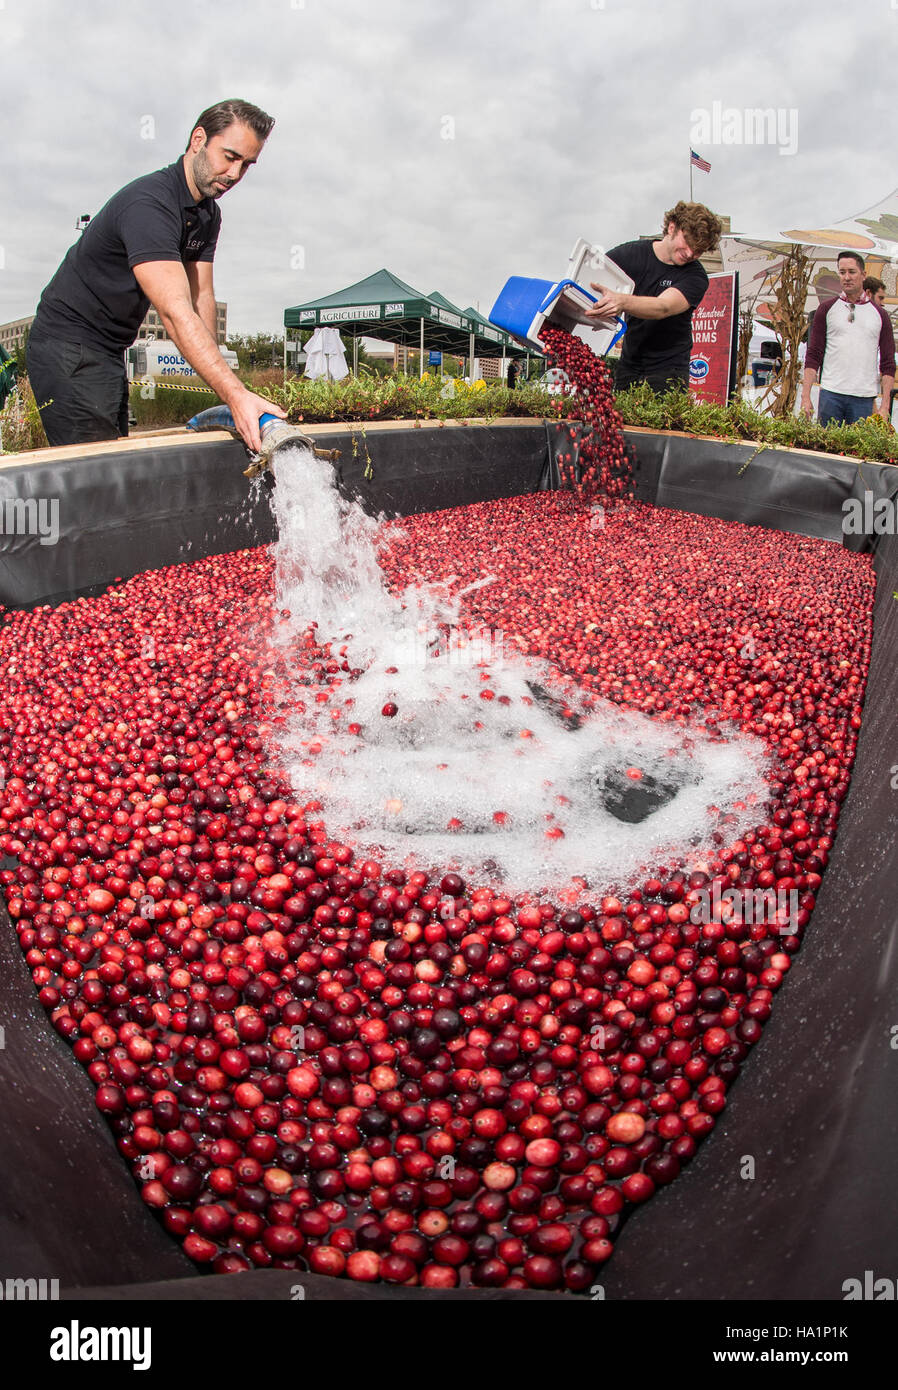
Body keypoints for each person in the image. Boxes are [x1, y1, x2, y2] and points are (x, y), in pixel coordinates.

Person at [27, 99, 285, 451]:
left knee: (115, 460)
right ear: (198, 140)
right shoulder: (150, 204)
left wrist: (224, 384)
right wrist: (236, 395)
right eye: (230, 156)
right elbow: (175, 313)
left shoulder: (208, 215)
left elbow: (201, 296)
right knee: (99, 475)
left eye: (247, 164)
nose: (235, 174)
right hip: (67, 345)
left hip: (109, 348)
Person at [583, 201, 723, 392]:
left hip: (670, 371)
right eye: (688, 242)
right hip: (629, 365)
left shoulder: (696, 277)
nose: (690, 253)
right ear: (672, 228)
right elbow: (590, 275)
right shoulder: (631, 254)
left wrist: (621, 301)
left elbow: (663, 307)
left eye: (698, 250)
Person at [801, 252, 895, 425]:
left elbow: (888, 363)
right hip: (830, 393)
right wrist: (805, 396)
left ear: (863, 275)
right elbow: (813, 354)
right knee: (825, 449)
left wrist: (884, 406)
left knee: (858, 451)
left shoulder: (880, 315)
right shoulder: (826, 309)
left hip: (863, 398)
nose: (847, 277)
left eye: (852, 271)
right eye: (842, 272)